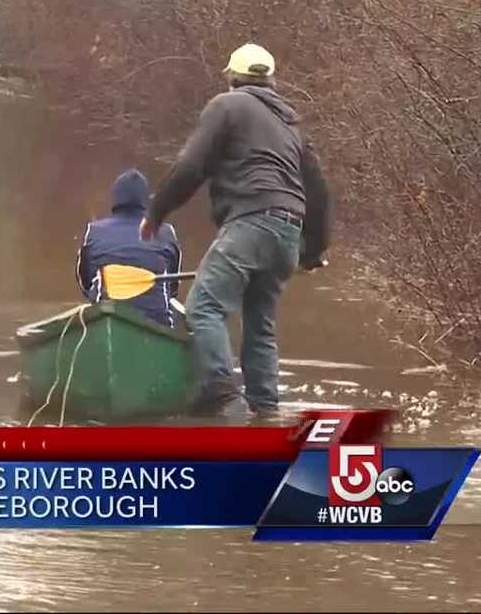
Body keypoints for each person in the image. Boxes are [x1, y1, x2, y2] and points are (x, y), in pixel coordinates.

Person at [139, 43, 332, 417]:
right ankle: (266, 410)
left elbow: (191, 164)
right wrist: (313, 251)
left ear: (232, 78)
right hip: (288, 231)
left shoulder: (225, 106)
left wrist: (157, 211)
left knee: (203, 306)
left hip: (251, 221)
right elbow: (319, 191)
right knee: (260, 323)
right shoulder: (291, 125)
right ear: (271, 82)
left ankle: (222, 394)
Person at [77, 169, 182, 328]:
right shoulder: (166, 232)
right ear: (146, 200)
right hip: (157, 326)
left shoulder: (94, 231)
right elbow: (173, 288)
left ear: (115, 198)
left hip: (104, 322)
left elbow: (85, 283)